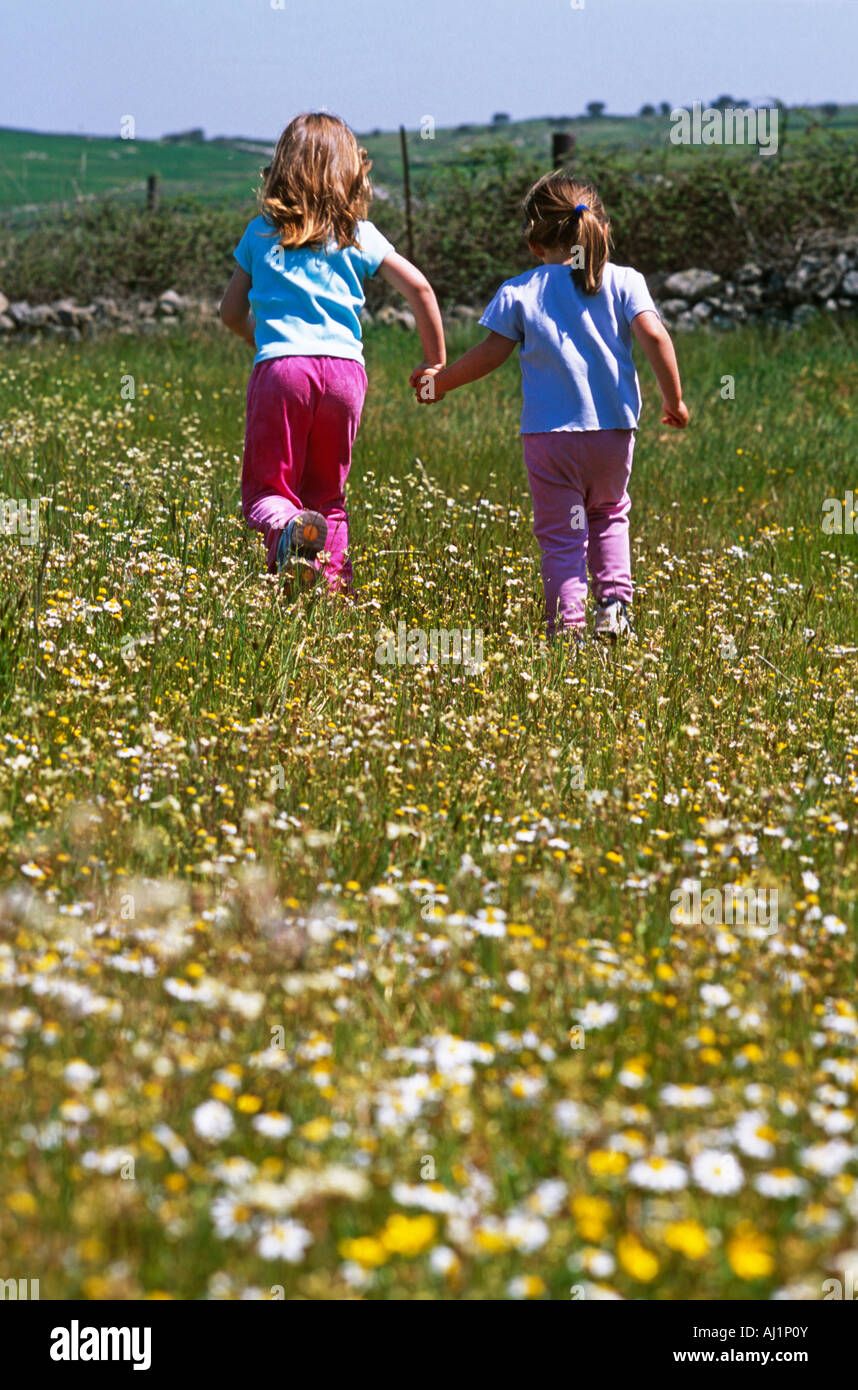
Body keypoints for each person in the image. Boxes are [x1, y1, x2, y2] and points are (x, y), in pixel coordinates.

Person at [415, 173, 689, 640]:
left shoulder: (522, 291)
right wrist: (673, 399)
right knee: (608, 513)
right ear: (598, 227)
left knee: (563, 535)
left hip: (549, 437)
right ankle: (614, 609)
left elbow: (489, 354)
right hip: (613, 433)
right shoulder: (625, 281)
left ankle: (568, 628)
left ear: (535, 242)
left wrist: (440, 385)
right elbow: (655, 336)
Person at [221, 112, 445, 592]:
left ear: (282, 167)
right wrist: (434, 363)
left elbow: (229, 311)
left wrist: (255, 339)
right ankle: (330, 592)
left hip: (283, 369)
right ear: (351, 172)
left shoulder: (261, 232)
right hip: (345, 375)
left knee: (267, 491)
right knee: (328, 495)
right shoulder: (357, 233)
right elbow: (421, 290)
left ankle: (287, 532)